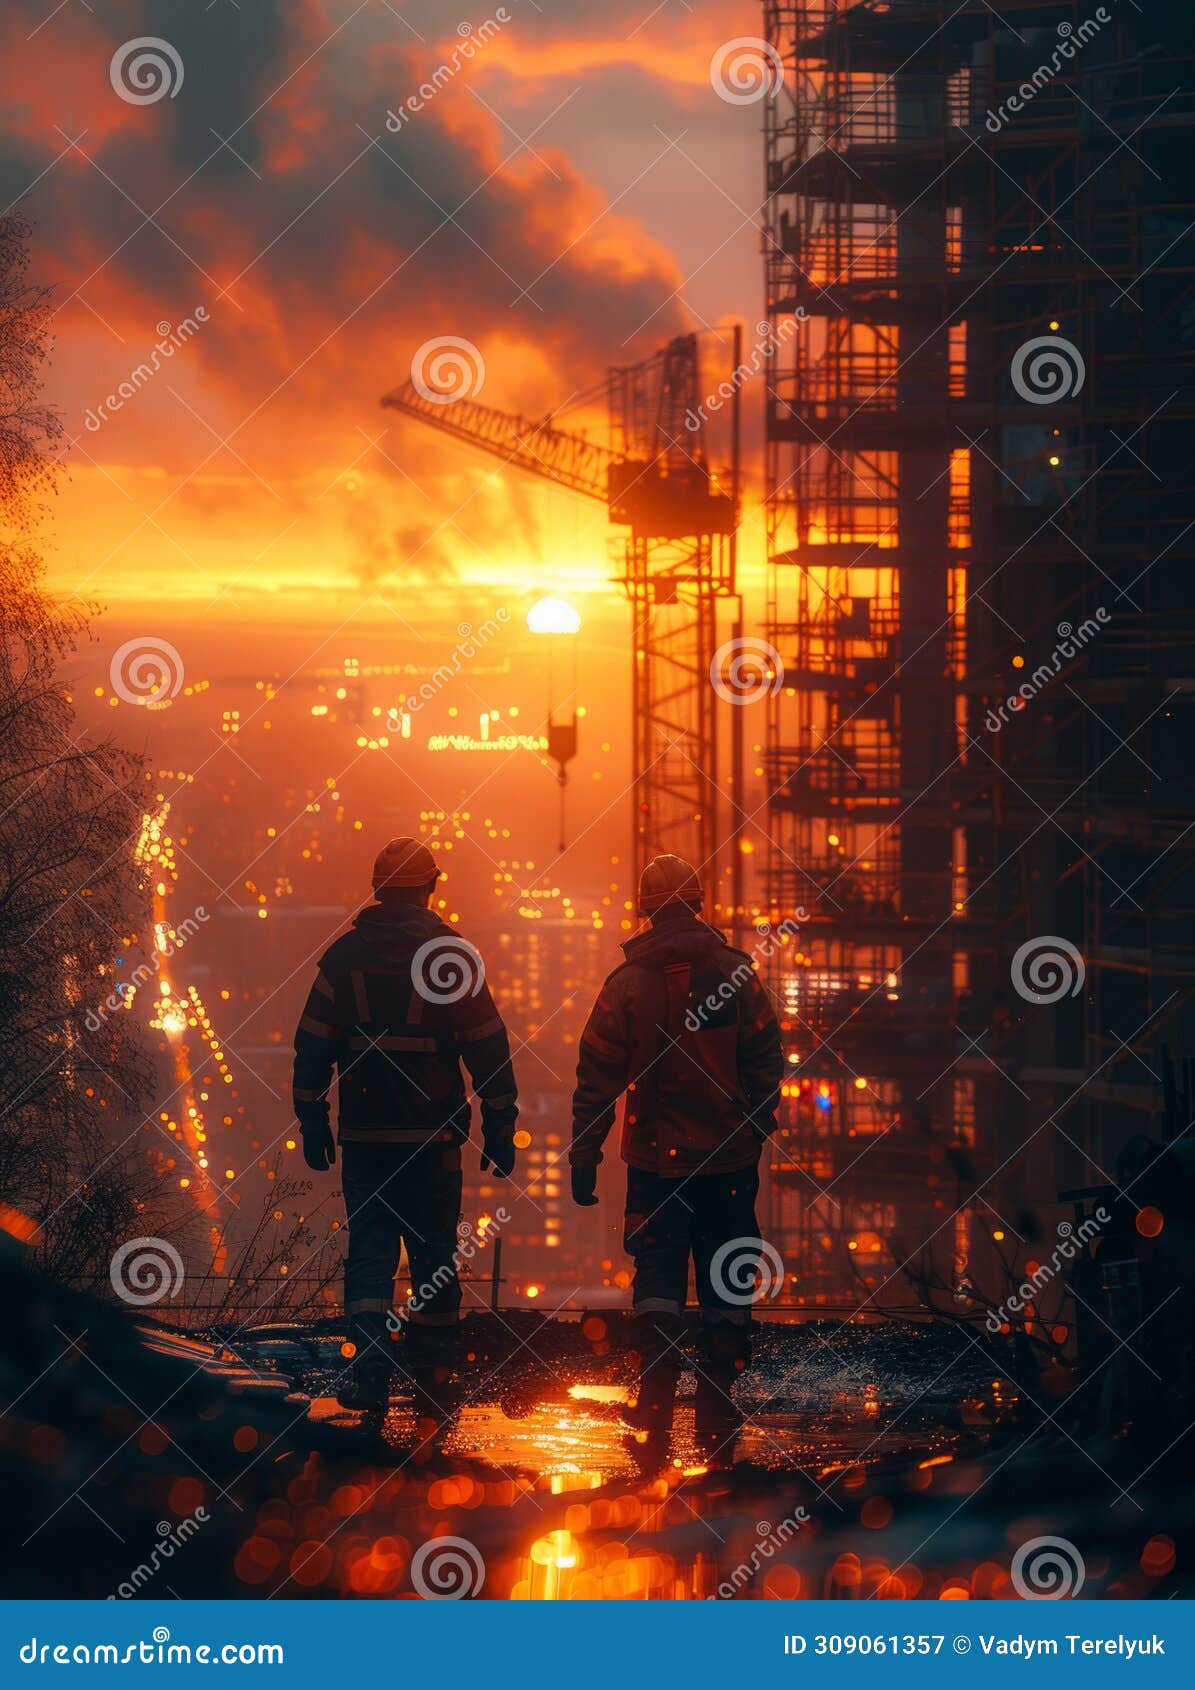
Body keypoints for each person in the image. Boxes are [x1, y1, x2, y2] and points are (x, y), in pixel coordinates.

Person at [569, 854, 783, 1467]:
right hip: (727, 1165)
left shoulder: (625, 985)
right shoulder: (738, 976)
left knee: (658, 1281)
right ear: (697, 902)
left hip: (656, 1170)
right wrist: (754, 1126)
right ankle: (719, 1399)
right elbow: (767, 1057)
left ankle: (655, 1402)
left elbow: (596, 1076)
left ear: (646, 907)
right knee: (727, 1278)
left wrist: (585, 1151)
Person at [292, 836, 518, 1412]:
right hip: (434, 1140)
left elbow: (313, 1046)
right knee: (434, 1256)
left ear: (377, 890)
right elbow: (487, 1045)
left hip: (366, 1140)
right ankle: (435, 1373)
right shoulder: (451, 956)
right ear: (430, 887)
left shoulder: (343, 961)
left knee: (369, 1257)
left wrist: (312, 1118)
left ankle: (369, 1368)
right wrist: (500, 1119)